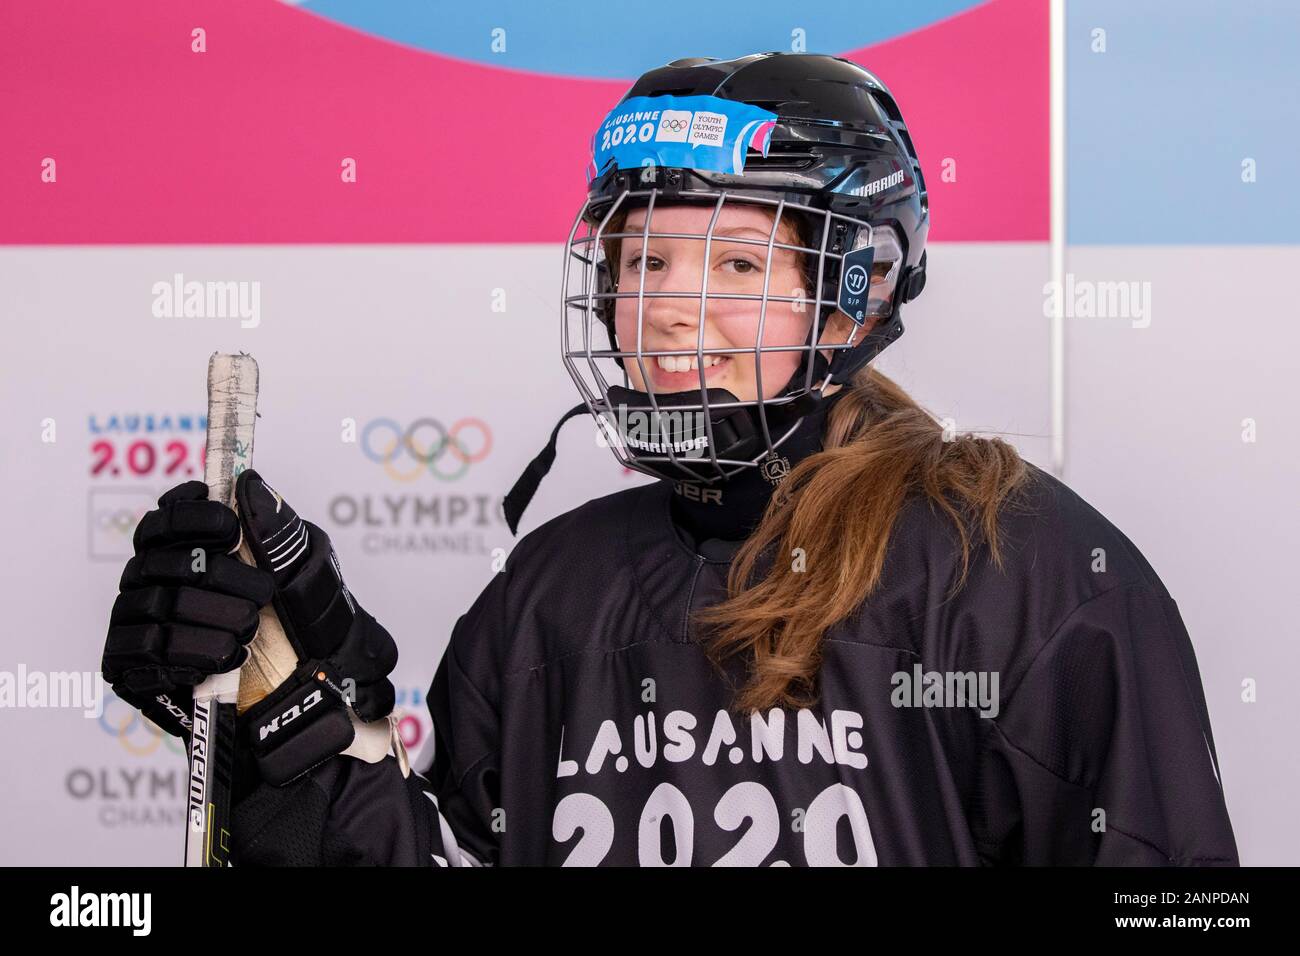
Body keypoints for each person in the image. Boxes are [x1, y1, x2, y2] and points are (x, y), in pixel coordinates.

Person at [101, 52, 1238, 866]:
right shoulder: (553, 588)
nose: (669, 315)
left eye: (737, 268)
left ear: (855, 297)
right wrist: (292, 718)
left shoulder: (1023, 571)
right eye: (643, 262)